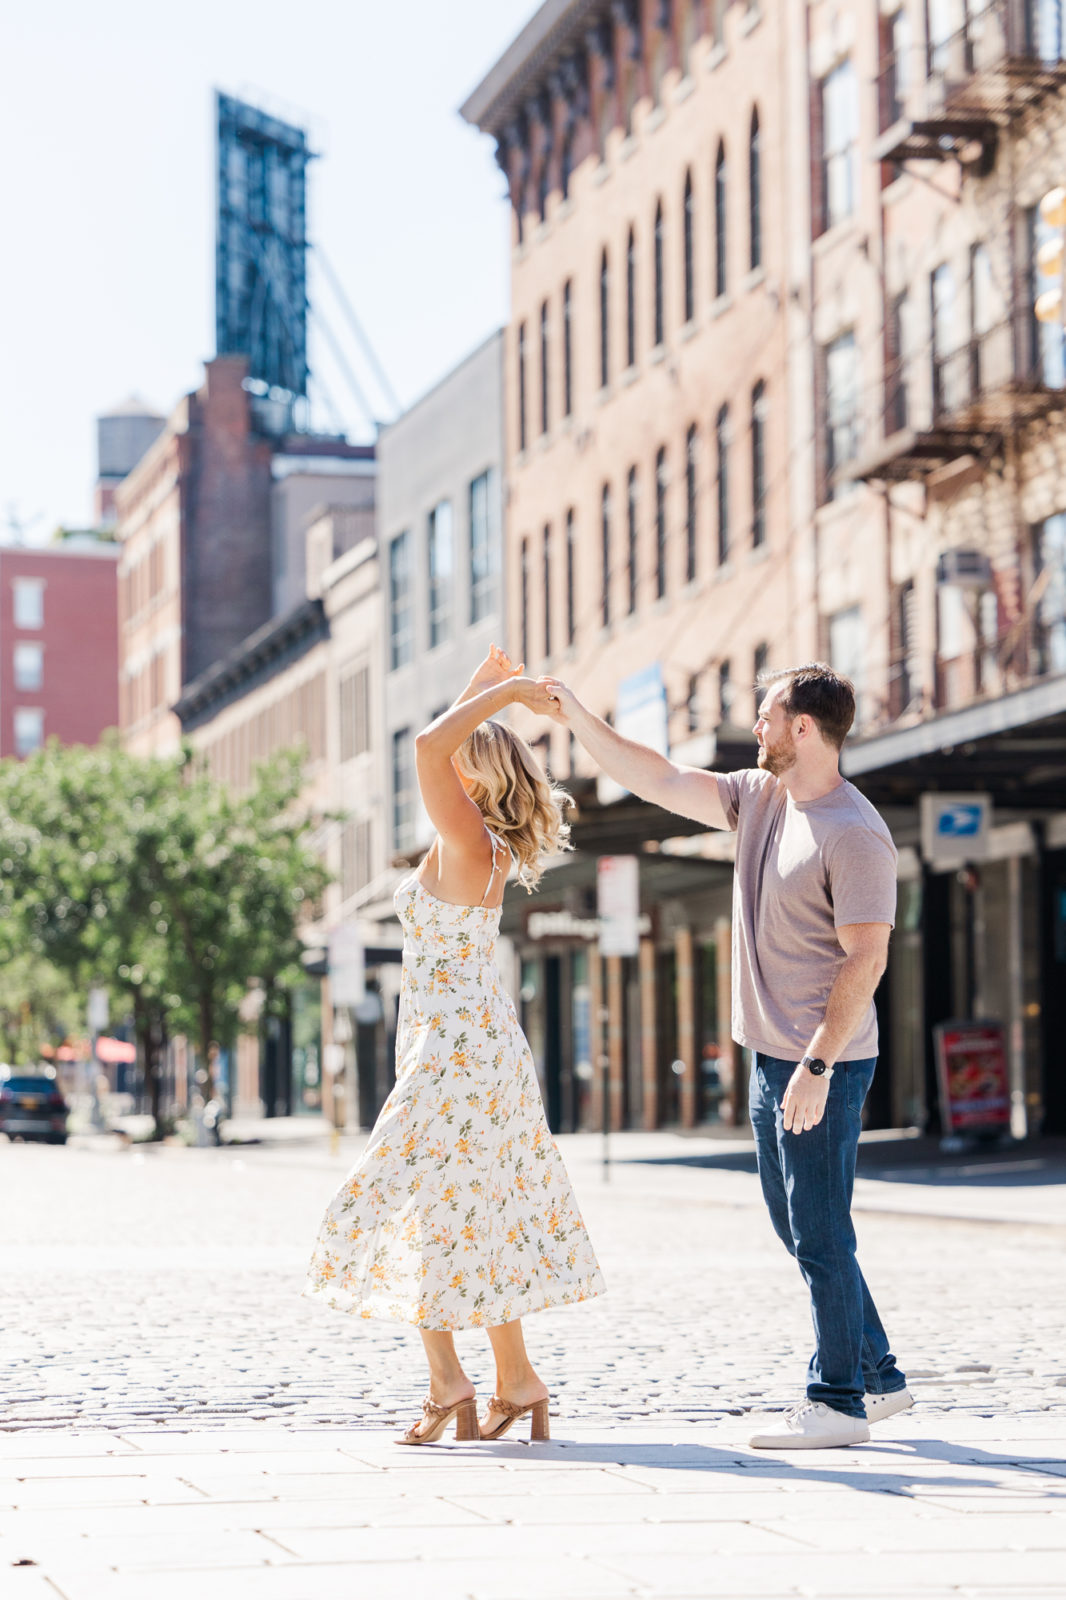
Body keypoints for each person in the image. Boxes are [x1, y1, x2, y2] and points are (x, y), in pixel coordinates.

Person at [540, 662, 910, 1450]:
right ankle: (878, 1377)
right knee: (801, 1227)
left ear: (803, 728)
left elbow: (866, 962)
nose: (758, 726)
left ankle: (837, 1398)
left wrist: (815, 1069)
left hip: (825, 1063)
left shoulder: (855, 832)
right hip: (770, 1057)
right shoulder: (762, 797)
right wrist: (576, 716)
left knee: (819, 1231)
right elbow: (661, 776)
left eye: (768, 714)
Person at [305, 648, 605, 1445]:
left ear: (469, 781)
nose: (436, 778)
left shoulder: (468, 840)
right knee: (470, 1211)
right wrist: (481, 691)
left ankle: (450, 1384)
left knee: (404, 1204)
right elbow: (440, 745)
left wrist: (503, 693)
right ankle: (515, 1379)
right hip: (471, 1044)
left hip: (454, 1050)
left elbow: (423, 748)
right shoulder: (482, 844)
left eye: (455, 764)